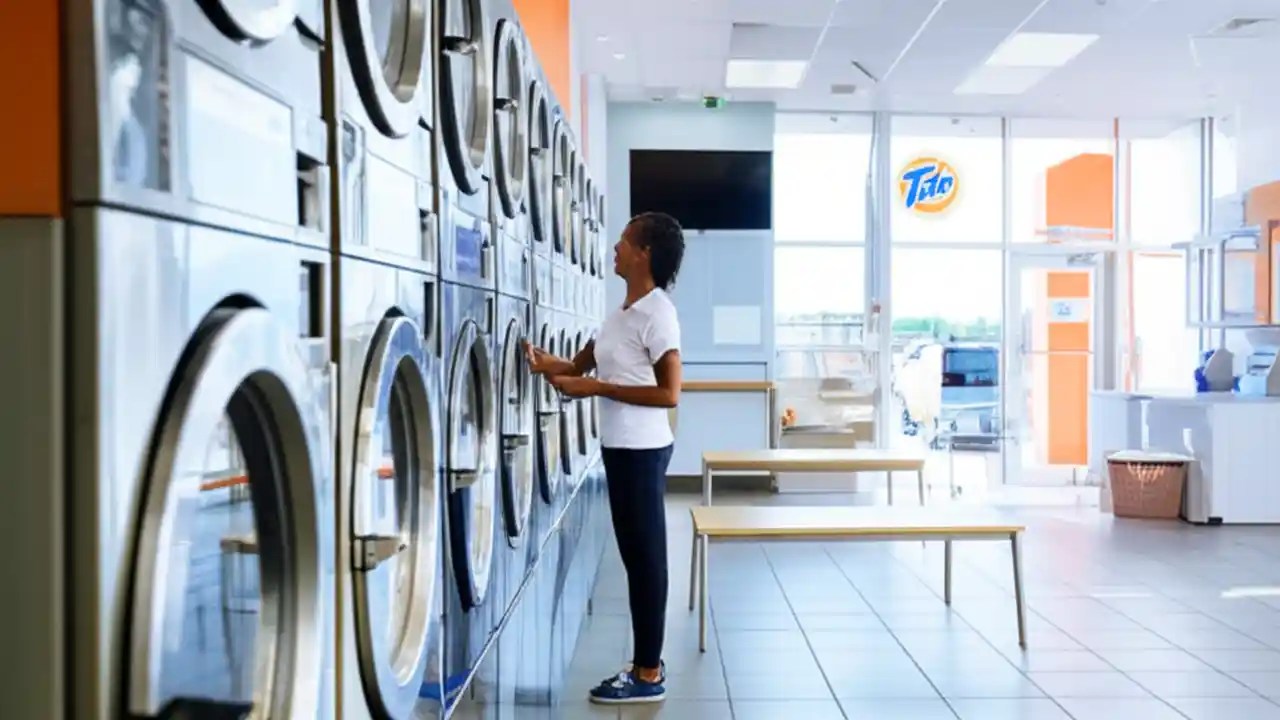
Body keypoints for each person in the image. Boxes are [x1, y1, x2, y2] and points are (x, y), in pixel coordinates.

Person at [524, 211, 685, 705]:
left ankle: (649, 673)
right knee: (637, 558)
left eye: (624, 240)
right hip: (619, 449)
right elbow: (576, 366)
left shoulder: (658, 313)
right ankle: (643, 665)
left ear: (645, 254)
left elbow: (669, 393)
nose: (614, 247)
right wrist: (541, 361)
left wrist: (595, 387)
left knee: (646, 561)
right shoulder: (620, 315)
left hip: (642, 449)